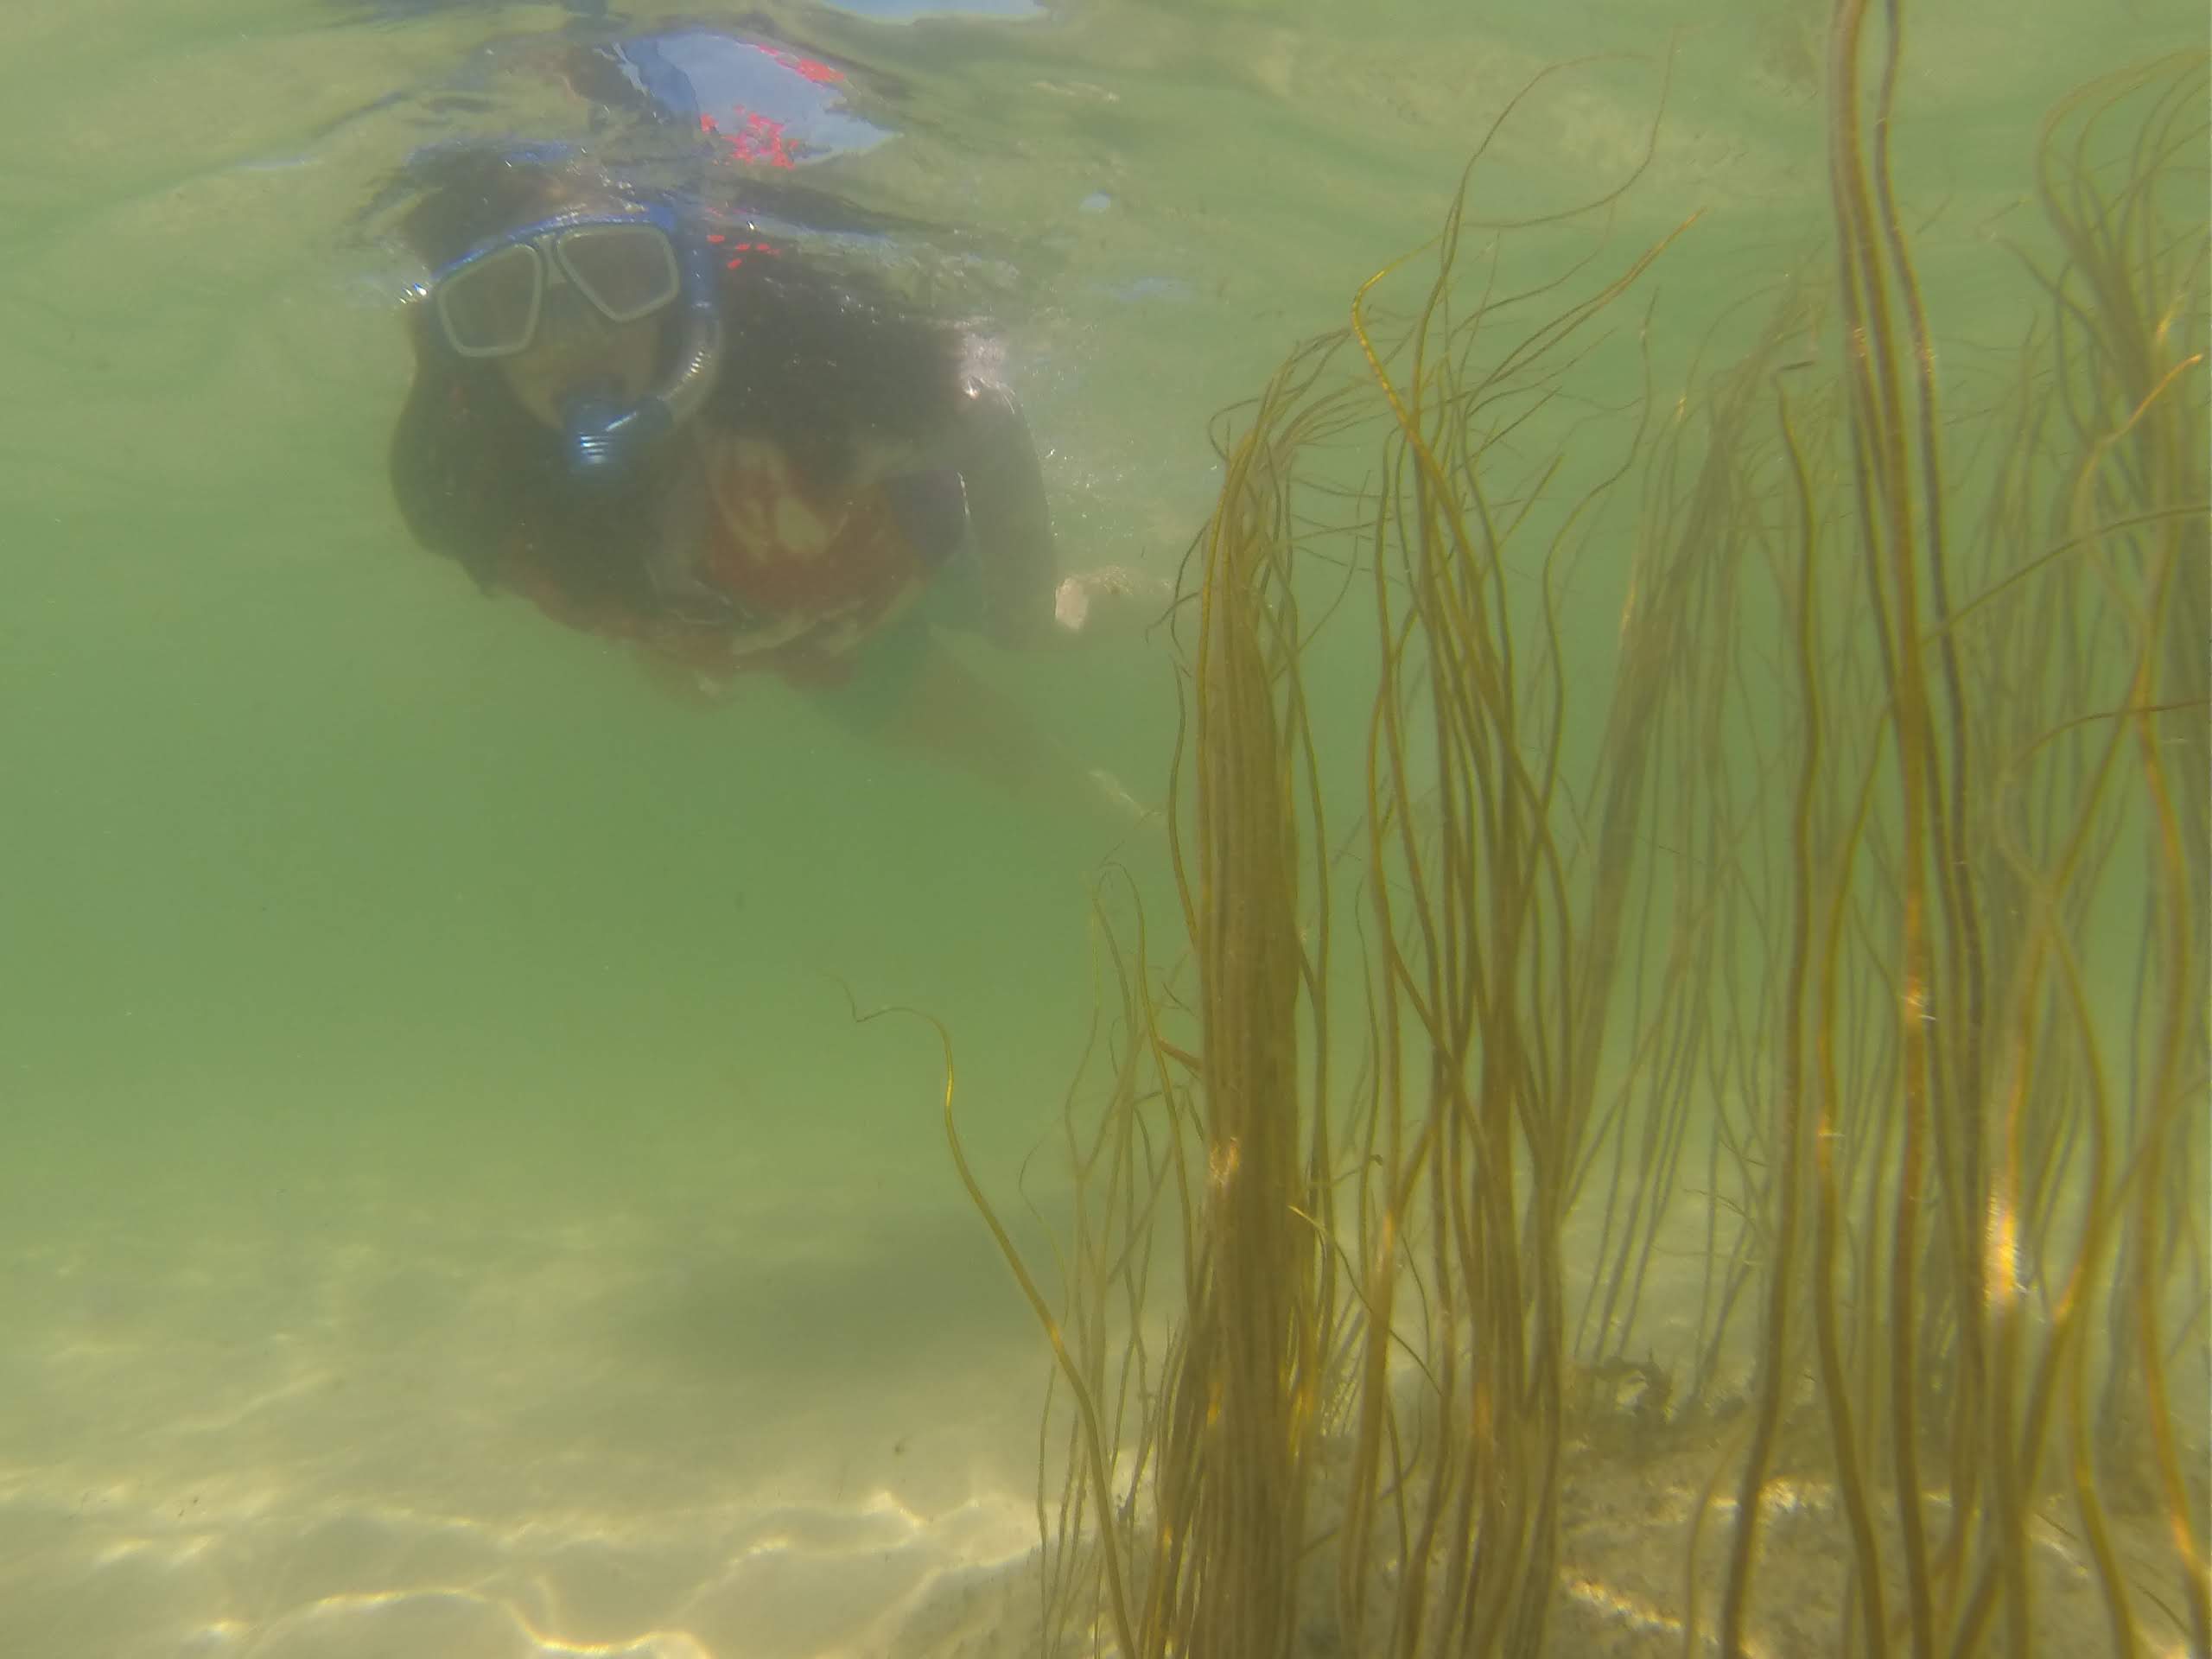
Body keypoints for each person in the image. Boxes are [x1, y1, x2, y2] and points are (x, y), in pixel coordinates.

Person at [380, 114, 1162, 822]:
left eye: (613, 272)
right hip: (833, 646)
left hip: (927, 547)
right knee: (1024, 769)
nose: (569, 333)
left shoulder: (795, 395)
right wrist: (652, 638)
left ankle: (1185, 598)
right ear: (459, 340)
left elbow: (984, 417)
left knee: (1058, 628)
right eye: (503, 302)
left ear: (675, 281)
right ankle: (1146, 847)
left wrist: (1026, 614)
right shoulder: (484, 487)